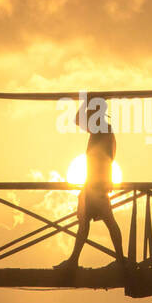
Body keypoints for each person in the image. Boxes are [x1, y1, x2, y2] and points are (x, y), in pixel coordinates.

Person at [55, 98, 126, 270]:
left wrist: (85, 99)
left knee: (103, 222)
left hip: (96, 185)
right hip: (95, 184)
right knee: (88, 223)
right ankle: (75, 261)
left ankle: (120, 262)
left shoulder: (102, 128)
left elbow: (77, 119)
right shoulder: (103, 129)